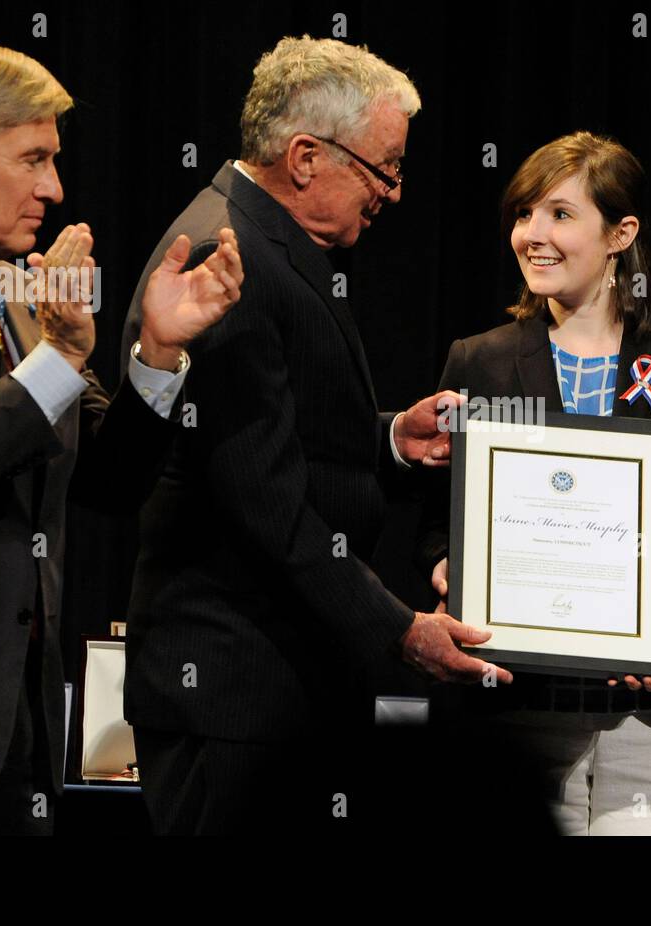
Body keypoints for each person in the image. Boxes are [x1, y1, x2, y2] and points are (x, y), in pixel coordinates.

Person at [0, 40, 243, 835]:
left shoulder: (19, 297)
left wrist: (158, 352)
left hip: (13, 733)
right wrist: (58, 359)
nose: (53, 190)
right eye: (32, 160)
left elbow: (108, 481)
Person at [120, 35, 511, 835]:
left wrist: (389, 439)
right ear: (304, 155)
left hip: (279, 689)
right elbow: (262, 503)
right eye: (384, 168)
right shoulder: (223, 259)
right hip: (235, 692)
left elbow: (268, 438)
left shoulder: (273, 244)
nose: (395, 193)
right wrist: (402, 632)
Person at [418, 132, 651, 835]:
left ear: (621, 232)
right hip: (514, 714)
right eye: (523, 214)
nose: (533, 235)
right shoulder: (478, 362)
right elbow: (435, 522)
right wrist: (449, 565)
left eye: (560, 215)